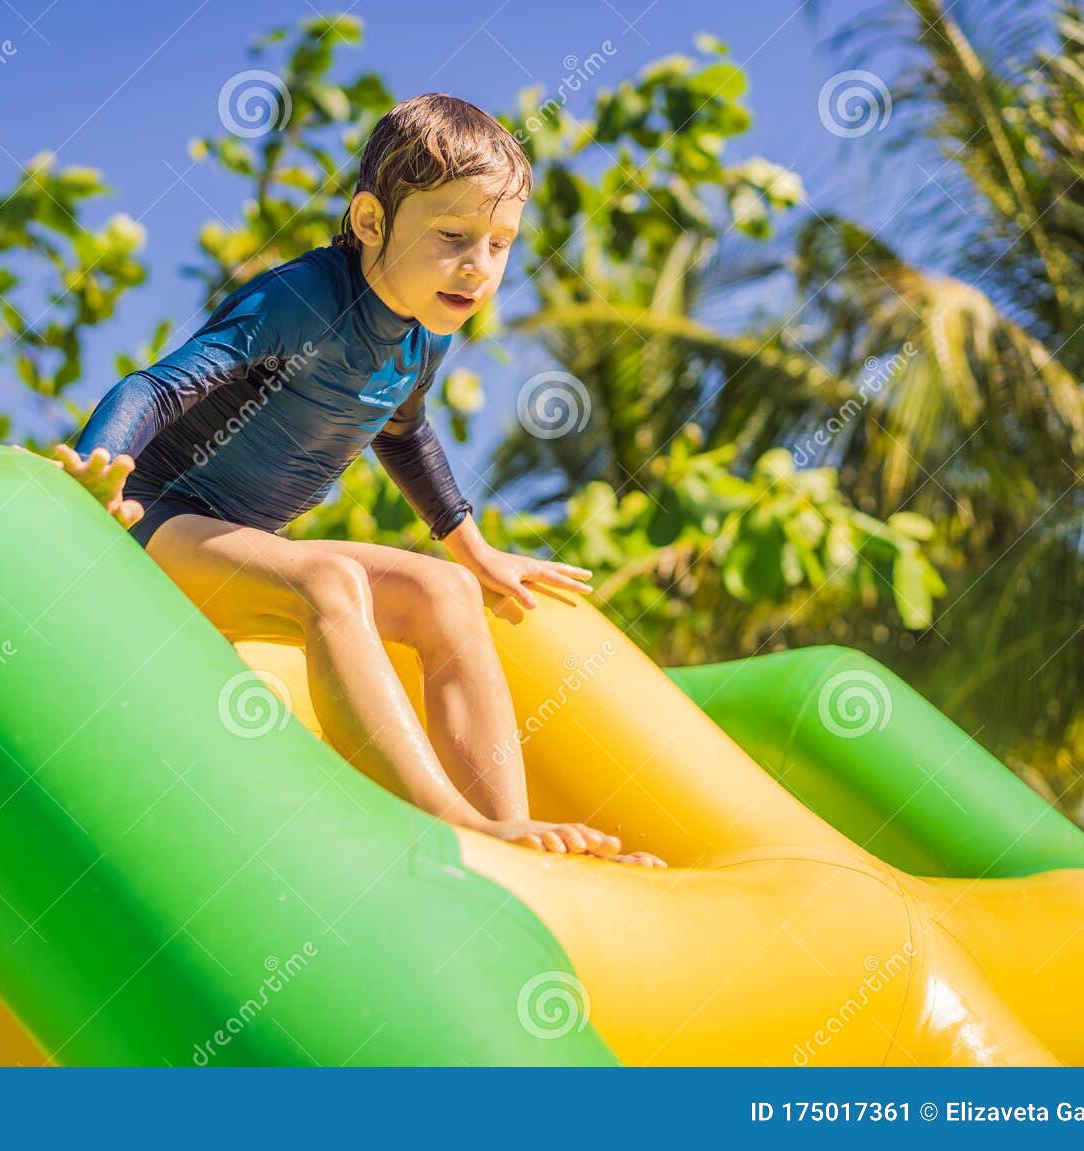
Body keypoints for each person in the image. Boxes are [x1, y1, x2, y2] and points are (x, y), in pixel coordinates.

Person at [49, 93, 662, 868]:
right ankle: (449, 819)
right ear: (371, 222)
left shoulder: (422, 332)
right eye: (453, 236)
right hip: (155, 524)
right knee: (330, 576)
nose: (479, 266)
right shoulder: (302, 299)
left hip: (236, 542)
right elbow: (157, 387)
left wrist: (476, 552)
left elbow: (404, 435)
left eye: (500, 243)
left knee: (446, 593)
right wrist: (101, 473)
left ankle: (517, 834)